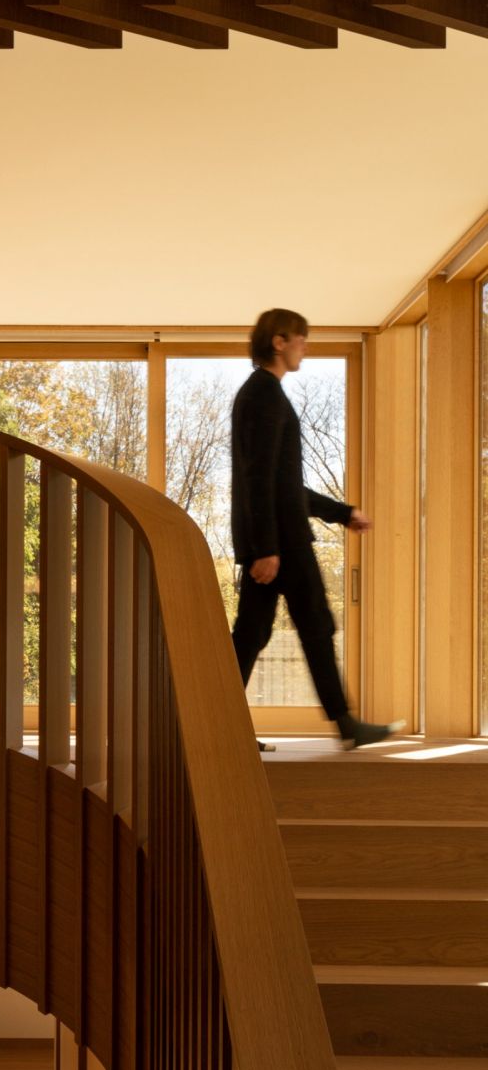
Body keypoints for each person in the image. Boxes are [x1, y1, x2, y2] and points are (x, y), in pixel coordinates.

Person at [230, 308, 402, 751]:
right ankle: (346, 725)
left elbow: (282, 482)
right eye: (301, 338)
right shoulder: (263, 395)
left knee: (252, 635)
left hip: (276, 541)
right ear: (279, 341)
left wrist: (341, 513)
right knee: (310, 626)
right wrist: (266, 547)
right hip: (280, 543)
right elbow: (258, 477)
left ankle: (211, 726)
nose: (306, 345)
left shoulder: (265, 394)